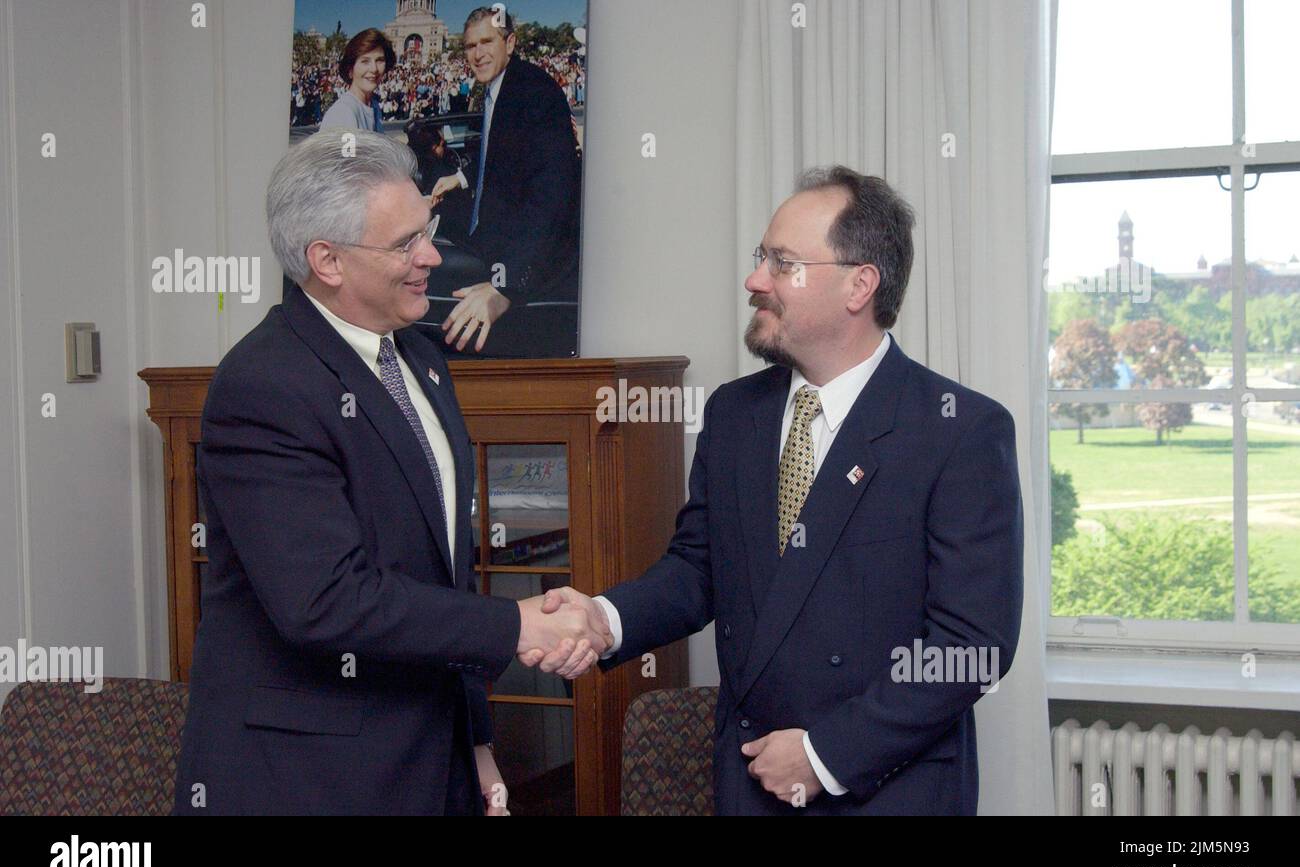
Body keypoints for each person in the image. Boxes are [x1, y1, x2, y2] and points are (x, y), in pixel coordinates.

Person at [535, 166, 1025, 815]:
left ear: (860, 283)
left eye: (782, 263)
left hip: (889, 790)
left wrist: (827, 753)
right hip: (750, 784)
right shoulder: (737, 413)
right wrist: (607, 618)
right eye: (760, 257)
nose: (755, 279)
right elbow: (698, 570)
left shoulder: (958, 430)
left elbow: (971, 647)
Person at [172, 129, 608, 816]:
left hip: (430, 759)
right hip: (308, 777)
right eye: (405, 243)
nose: (431, 255)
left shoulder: (421, 360)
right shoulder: (264, 384)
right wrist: (515, 625)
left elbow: (443, 573)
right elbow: (324, 599)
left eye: (425, 232)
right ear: (327, 260)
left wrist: (476, 738)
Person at [430, 7, 582, 353]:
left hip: (532, 269)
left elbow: (550, 196)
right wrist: (460, 178)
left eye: (487, 41)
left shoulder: (534, 93)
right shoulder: (501, 86)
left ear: (510, 42)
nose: (478, 53)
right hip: (495, 244)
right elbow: (502, 152)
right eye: (470, 46)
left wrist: (504, 287)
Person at [319, 28, 393, 133]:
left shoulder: (373, 105)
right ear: (350, 69)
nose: (374, 69)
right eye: (365, 61)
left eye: (379, 60)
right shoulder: (344, 113)